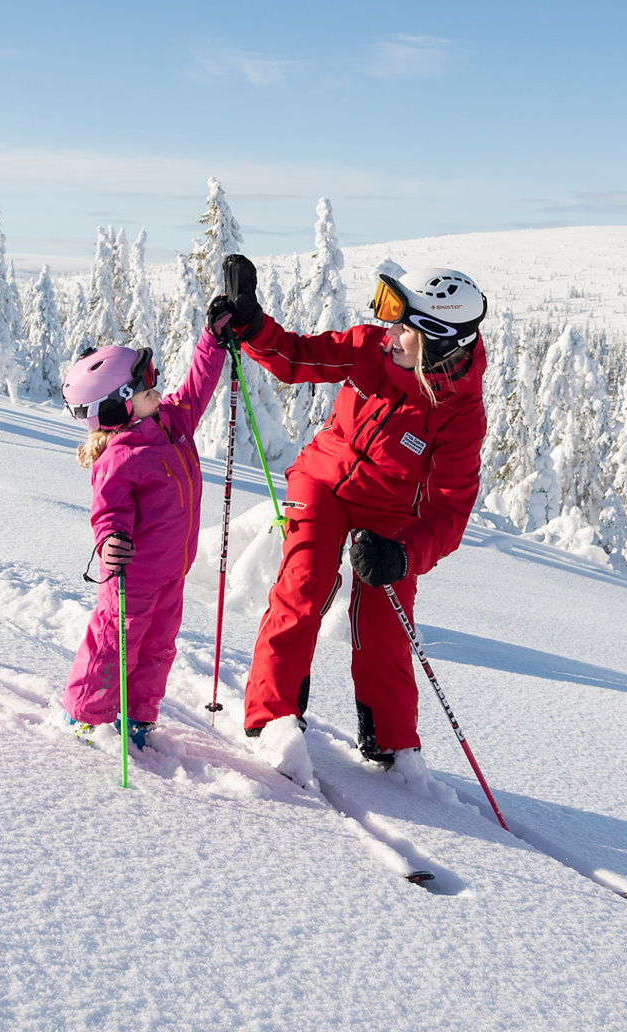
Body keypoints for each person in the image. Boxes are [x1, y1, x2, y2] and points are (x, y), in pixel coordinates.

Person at [207, 255, 488, 771]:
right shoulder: (368, 349)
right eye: (392, 320)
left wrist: (402, 555)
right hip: (322, 482)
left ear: (438, 342)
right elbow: (296, 357)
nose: (390, 333)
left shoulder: (461, 414)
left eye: (404, 327)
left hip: (390, 514)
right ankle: (272, 718)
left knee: (384, 619)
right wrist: (253, 327)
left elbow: (449, 513)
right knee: (305, 582)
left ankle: (392, 746)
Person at [58, 316, 229, 748]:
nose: (158, 390)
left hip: (172, 572)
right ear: (117, 408)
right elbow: (108, 512)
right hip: (132, 578)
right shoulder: (121, 457)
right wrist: (110, 540)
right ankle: (87, 714)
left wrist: (212, 340)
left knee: (158, 647)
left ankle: (137, 715)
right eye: (146, 388)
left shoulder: (171, 423)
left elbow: (197, 386)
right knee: (114, 645)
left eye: (152, 382)